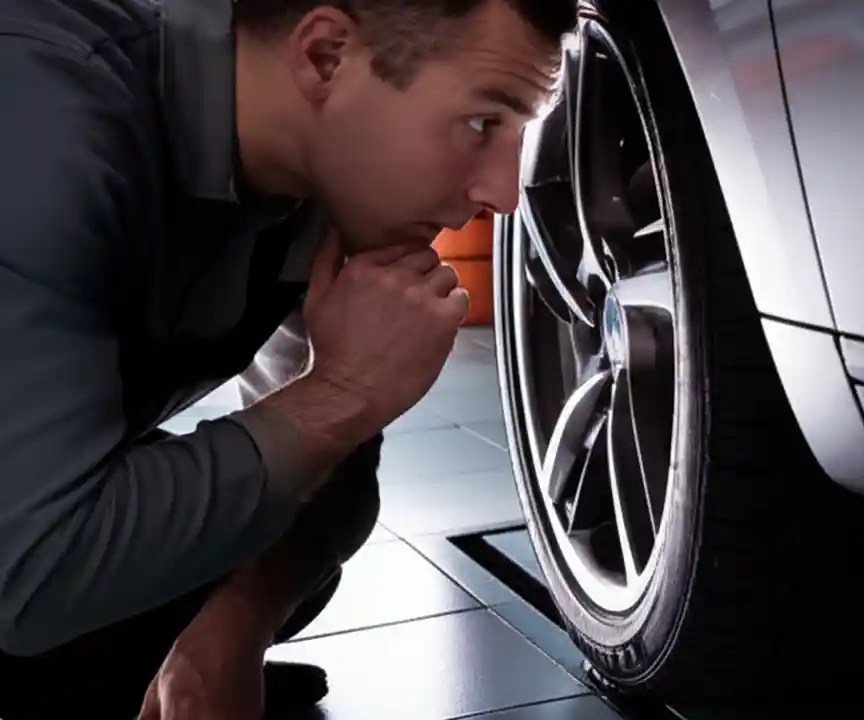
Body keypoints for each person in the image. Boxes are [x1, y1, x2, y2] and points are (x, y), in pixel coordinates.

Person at [0, 0, 572, 717]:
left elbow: (328, 476)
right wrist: (346, 389)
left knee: (273, 545)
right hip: (20, 553)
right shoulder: (42, 124)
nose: (503, 192)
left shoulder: (329, 174)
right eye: (483, 123)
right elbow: (31, 570)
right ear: (326, 55)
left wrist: (233, 632)